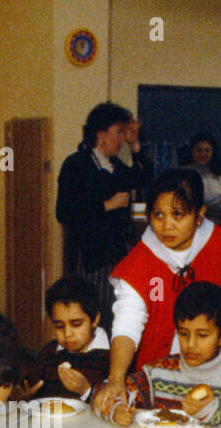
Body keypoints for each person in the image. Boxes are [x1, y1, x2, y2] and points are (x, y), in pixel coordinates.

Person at [93, 168, 221, 418]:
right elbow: (127, 322)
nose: (166, 226)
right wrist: (116, 378)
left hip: (220, 372)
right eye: (158, 215)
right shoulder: (141, 261)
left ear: (199, 214)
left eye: (178, 214)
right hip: (162, 376)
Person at [107, 281, 221, 428]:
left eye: (202, 335)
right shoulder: (158, 373)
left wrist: (214, 411)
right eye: (183, 333)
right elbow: (110, 391)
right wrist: (116, 409)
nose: (191, 344)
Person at [55, 102, 151, 309]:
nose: (122, 139)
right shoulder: (76, 164)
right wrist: (106, 205)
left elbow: (145, 178)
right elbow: (64, 212)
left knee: (120, 310)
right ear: (100, 134)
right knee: (92, 309)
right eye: (119, 132)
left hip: (120, 254)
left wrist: (135, 145)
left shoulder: (117, 166)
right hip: (91, 257)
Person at [26, 276, 111, 401]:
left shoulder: (111, 357)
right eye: (59, 326)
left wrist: (86, 391)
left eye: (76, 324)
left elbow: (116, 403)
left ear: (95, 319)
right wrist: (24, 397)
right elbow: (29, 387)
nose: (67, 334)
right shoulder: (49, 352)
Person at [187, 130, 221, 227]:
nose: (203, 154)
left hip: (218, 226)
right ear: (192, 152)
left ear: (212, 153)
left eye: (207, 151)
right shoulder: (184, 174)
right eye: (199, 150)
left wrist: (203, 205)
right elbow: (187, 204)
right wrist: (218, 199)